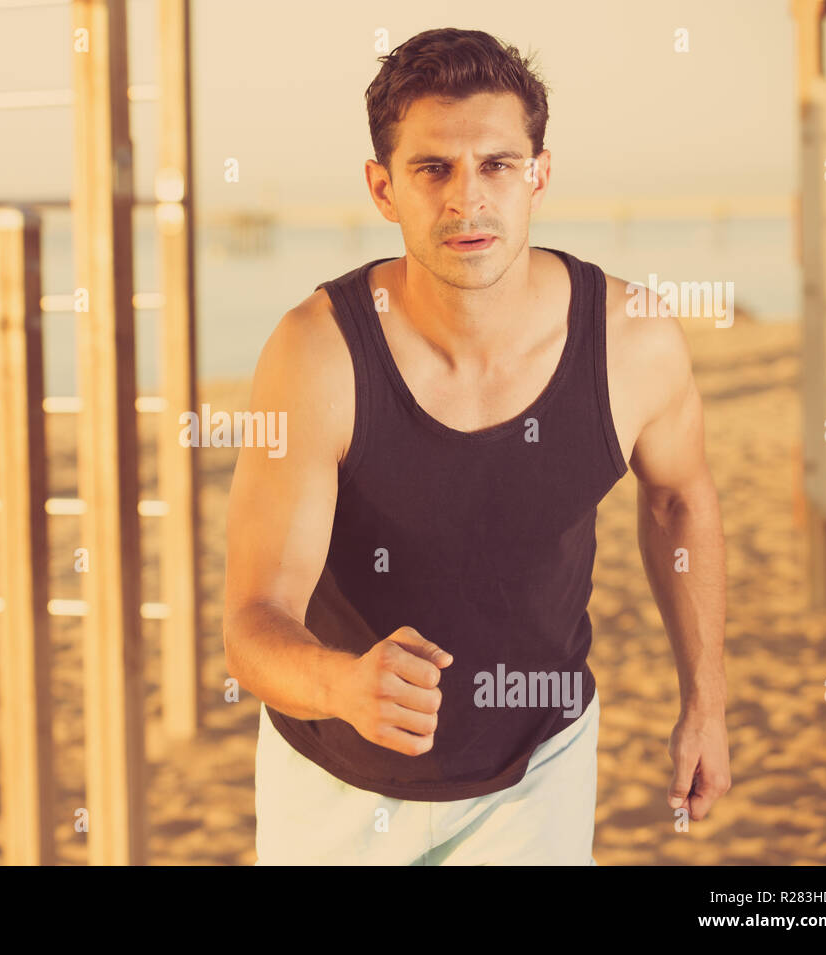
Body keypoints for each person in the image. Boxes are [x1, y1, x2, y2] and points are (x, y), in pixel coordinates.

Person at [222, 27, 730, 865]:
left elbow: (679, 499)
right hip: (335, 788)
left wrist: (706, 702)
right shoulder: (317, 355)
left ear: (539, 174)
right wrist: (341, 685)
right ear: (383, 189)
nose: (468, 201)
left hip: (540, 771)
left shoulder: (634, 340)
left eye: (497, 164)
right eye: (433, 170)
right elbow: (251, 621)